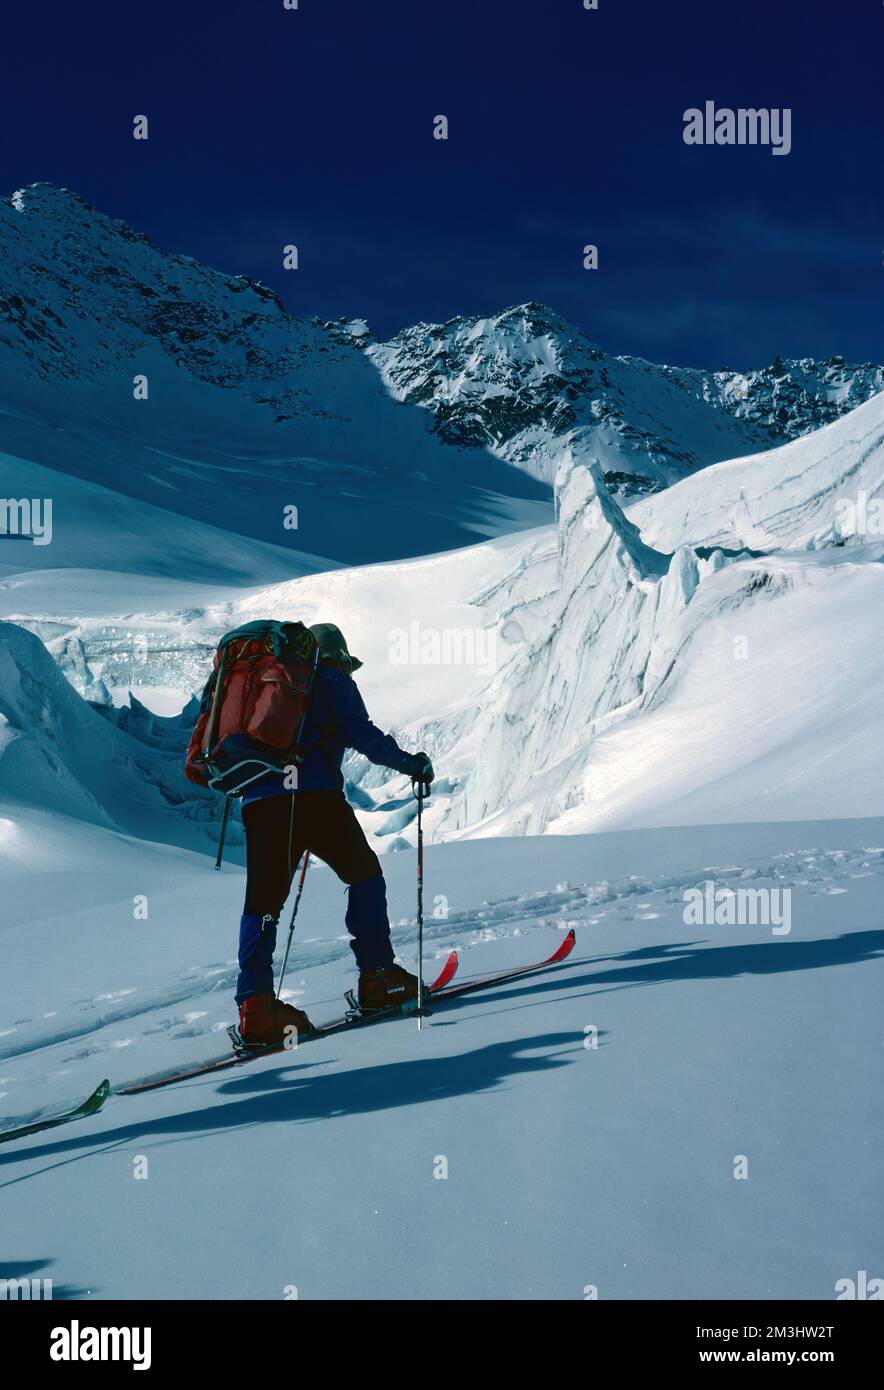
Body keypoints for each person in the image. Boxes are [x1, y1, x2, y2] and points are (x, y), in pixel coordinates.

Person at [235, 621, 434, 1045]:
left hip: (260, 803)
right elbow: (362, 734)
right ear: (337, 659)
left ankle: (255, 1009)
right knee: (364, 875)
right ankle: (377, 978)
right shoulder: (332, 680)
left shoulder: (263, 684)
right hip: (314, 800)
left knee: (263, 904)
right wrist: (411, 764)